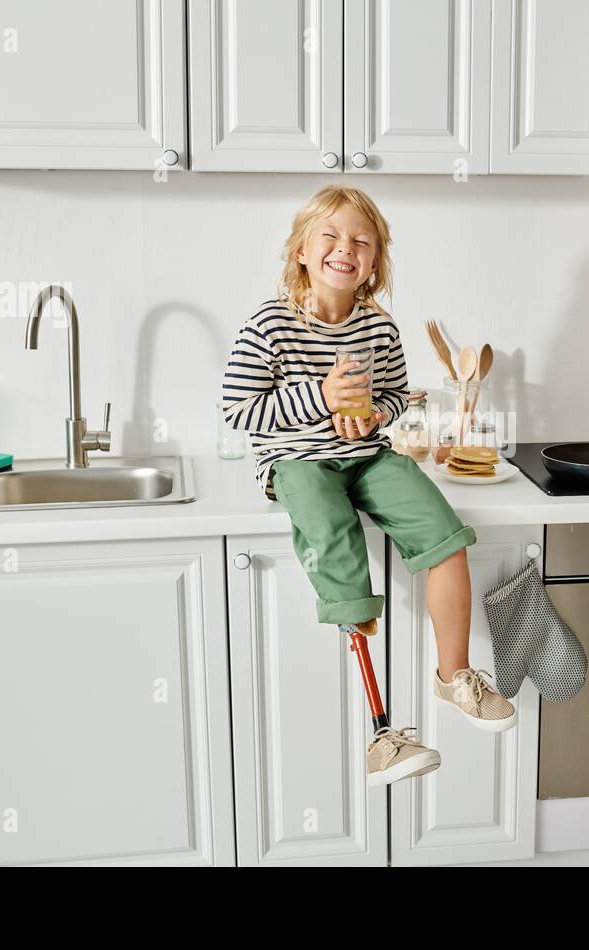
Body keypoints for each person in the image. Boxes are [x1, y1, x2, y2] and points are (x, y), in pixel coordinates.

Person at [221, 185, 516, 787]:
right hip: (297, 460)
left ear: (376, 261)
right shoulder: (269, 323)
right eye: (329, 236)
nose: (344, 249)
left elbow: (392, 397)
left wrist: (372, 415)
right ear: (301, 251)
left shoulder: (379, 328)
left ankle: (454, 677)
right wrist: (320, 400)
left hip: (366, 456)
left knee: (446, 535)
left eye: (362, 241)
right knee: (334, 538)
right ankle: (382, 734)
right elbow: (238, 411)